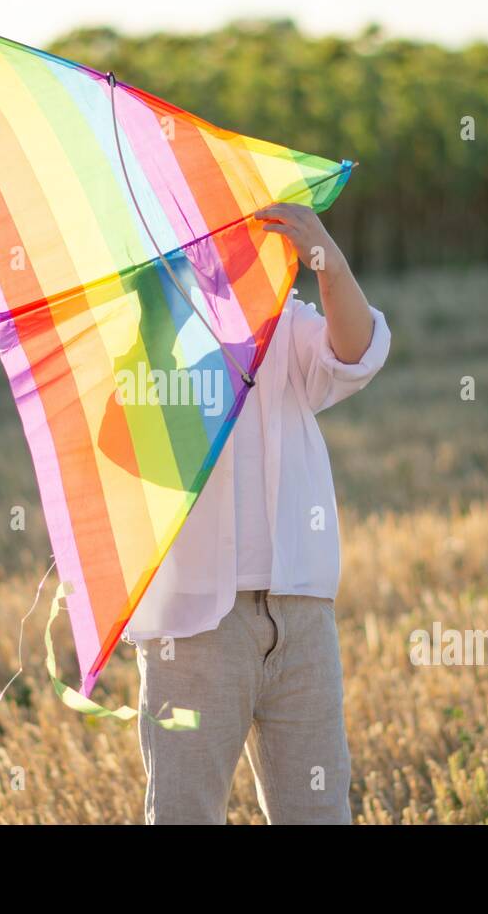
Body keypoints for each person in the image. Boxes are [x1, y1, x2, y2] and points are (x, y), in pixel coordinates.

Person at [126, 202, 391, 824]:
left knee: (319, 812)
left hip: (299, 615)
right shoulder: (142, 341)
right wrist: (152, 314)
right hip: (191, 631)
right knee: (185, 813)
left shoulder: (283, 326)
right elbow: (134, 450)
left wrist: (324, 257)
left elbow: (357, 352)